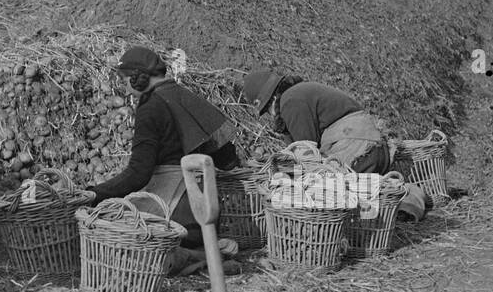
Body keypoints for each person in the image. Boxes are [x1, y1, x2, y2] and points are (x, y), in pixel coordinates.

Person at [81, 46, 239, 249]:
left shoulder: (151, 108)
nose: (126, 88)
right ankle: (209, 250)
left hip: (176, 214)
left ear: (139, 77)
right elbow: (227, 159)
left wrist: (95, 194)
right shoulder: (184, 96)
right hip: (207, 213)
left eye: (125, 79)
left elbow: (139, 173)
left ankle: (197, 258)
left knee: (114, 235)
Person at [239, 68, 427, 219]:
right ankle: (410, 197)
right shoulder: (300, 92)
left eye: (267, 109)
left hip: (355, 147)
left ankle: (403, 201)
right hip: (370, 145)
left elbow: (307, 153)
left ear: (272, 98)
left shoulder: (291, 101)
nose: (270, 115)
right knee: (367, 187)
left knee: (325, 189)